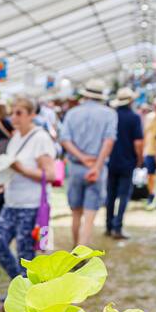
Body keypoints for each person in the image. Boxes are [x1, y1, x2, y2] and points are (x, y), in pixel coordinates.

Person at [0, 96, 55, 279]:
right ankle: (19, 284)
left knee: (25, 255)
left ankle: (24, 295)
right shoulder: (16, 136)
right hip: (12, 202)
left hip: (30, 205)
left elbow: (50, 175)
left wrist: (22, 169)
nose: (14, 118)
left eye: (19, 113)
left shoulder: (40, 138)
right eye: (12, 113)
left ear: (32, 115)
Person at [59, 78, 117, 249]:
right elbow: (108, 141)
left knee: (76, 213)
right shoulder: (109, 114)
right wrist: (97, 166)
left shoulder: (72, 113)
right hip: (96, 168)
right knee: (90, 214)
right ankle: (81, 251)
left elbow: (64, 139)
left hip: (76, 167)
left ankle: (74, 248)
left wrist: (81, 157)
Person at [105, 87, 144, 239]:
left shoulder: (112, 116)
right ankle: (117, 227)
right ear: (131, 101)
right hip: (127, 162)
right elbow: (138, 143)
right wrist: (140, 159)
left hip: (111, 161)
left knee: (111, 195)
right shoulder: (134, 118)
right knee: (123, 196)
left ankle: (109, 226)